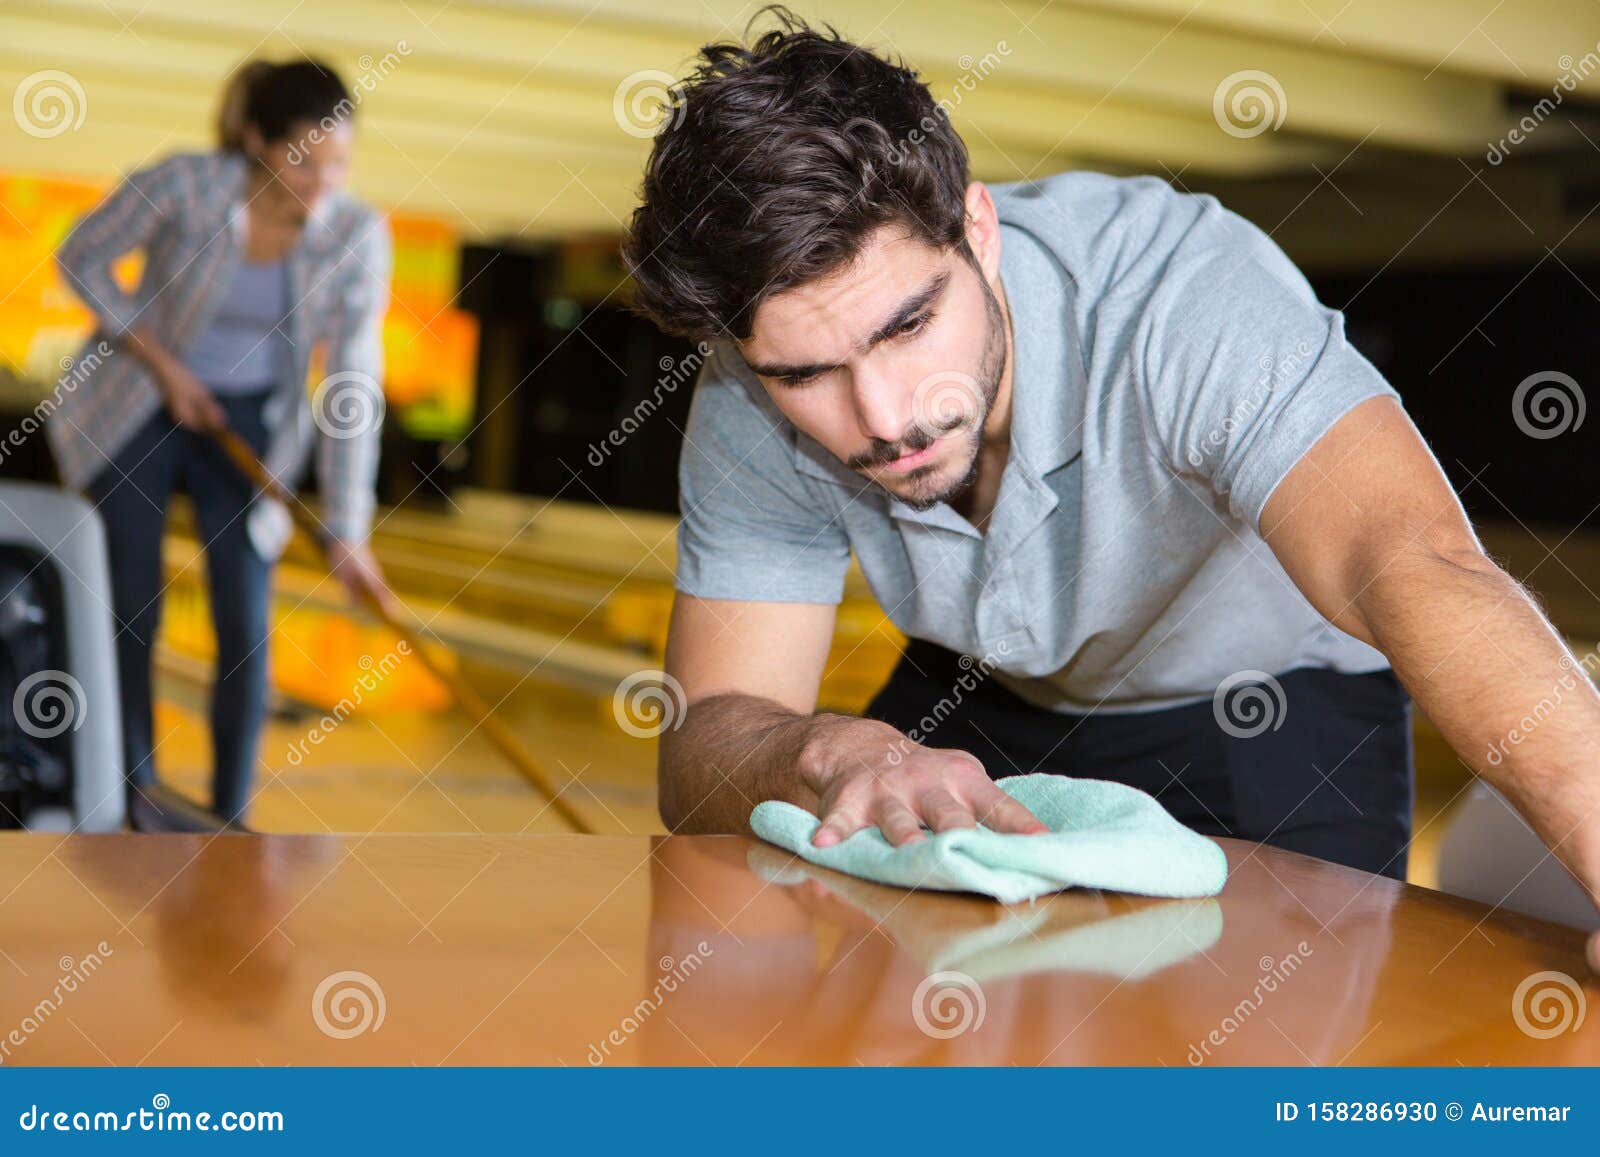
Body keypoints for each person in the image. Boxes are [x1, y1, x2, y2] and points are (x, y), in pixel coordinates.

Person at [622, 11, 1600, 963]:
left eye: (908, 325)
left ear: (976, 226)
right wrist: (825, 750)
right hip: (986, 693)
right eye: (804, 375)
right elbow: (713, 730)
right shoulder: (744, 395)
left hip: (1265, 705)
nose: (882, 415)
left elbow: (1408, 560)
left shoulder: (1182, 300)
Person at [48, 57, 393, 826]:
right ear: (256, 143)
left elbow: (351, 383)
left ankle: (228, 817)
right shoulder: (186, 186)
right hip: (142, 402)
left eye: (338, 163)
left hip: (248, 425)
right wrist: (163, 362)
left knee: (245, 619)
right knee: (132, 606)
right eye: (304, 161)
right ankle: (132, 796)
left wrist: (347, 527)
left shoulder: (355, 234)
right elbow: (81, 255)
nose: (322, 182)